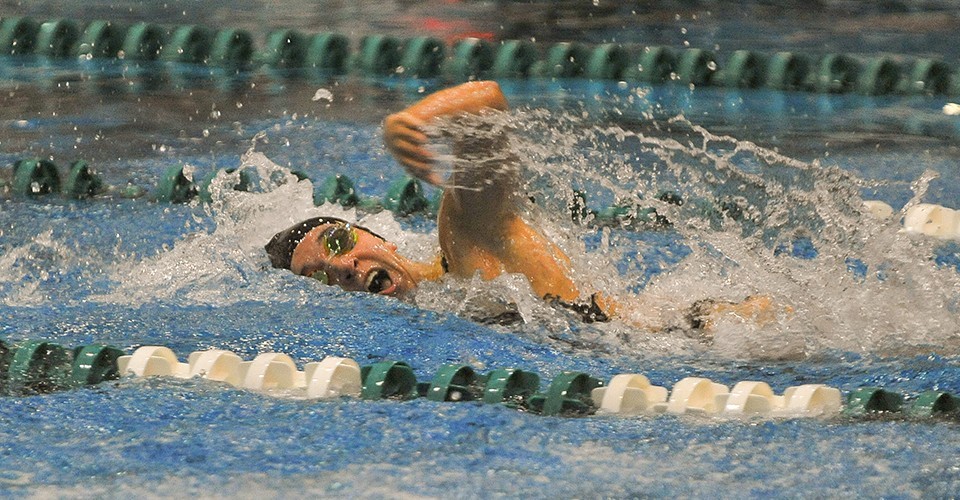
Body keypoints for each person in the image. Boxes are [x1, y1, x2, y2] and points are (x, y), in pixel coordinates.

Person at [266, 81, 784, 331]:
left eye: (336, 244)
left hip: (721, 337)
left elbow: (489, 102)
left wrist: (413, 118)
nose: (342, 268)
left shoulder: (463, 240)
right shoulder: (444, 302)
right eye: (319, 277)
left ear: (378, 238)